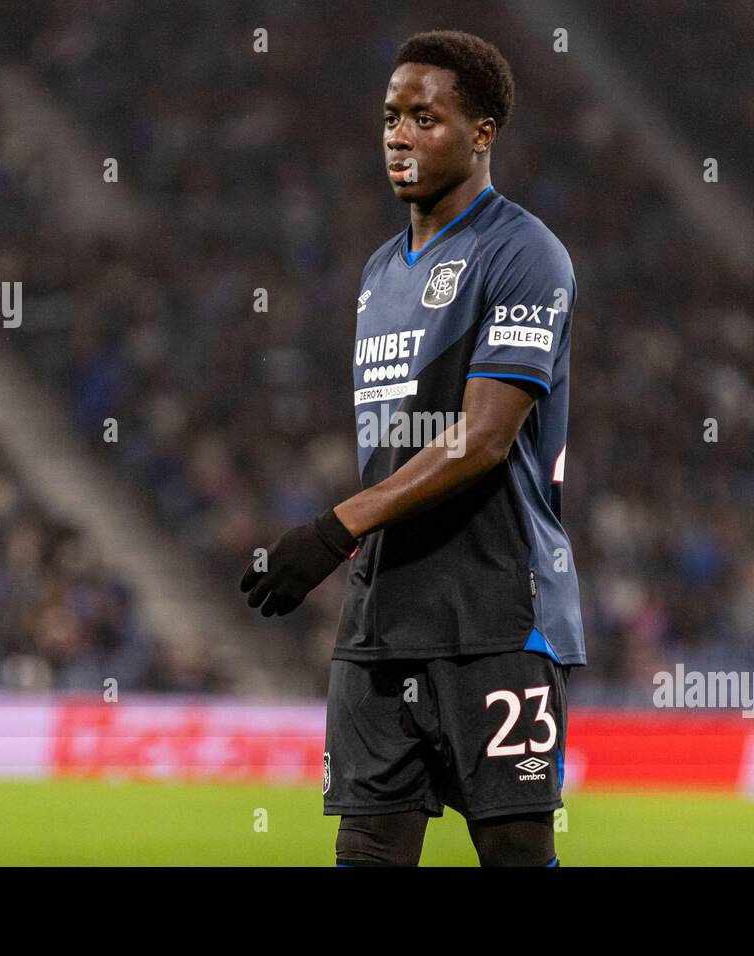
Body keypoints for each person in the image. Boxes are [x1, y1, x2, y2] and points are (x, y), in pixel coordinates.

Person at [240, 29, 584, 866]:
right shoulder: (378, 273)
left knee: (513, 850)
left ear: (483, 131)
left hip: (495, 615)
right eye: (391, 116)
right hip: (382, 619)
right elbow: (399, 448)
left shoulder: (525, 253)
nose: (399, 134)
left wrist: (332, 530)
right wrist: (357, 550)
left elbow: (484, 439)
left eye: (425, 118)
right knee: (367, 851)